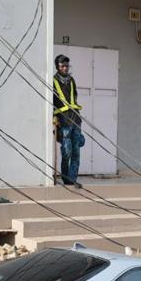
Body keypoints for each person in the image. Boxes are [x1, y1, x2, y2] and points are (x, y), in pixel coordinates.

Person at [52, 54, 84, 188]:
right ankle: (66, 178)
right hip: (63, 120)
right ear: (57, 66)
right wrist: (54, 118)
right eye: (62, 66)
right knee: (67, 151)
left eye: (67, 66)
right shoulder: (53, 81)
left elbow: (74, 97)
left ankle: (72, 179)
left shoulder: (71, 80)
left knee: (76, 151)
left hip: (75, 119)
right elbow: (52, 101)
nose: (65, 68)